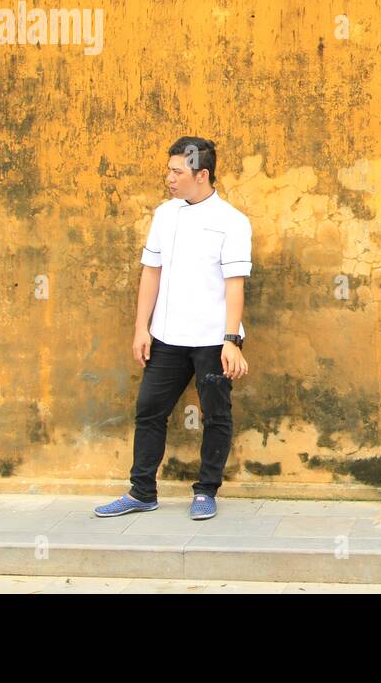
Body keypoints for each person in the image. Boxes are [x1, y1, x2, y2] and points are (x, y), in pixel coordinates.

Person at [95, 136, 253, 521]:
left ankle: (206, 490)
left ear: (201, 175)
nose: (169, 178)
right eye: (169, 170)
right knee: (149, 410)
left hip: (213, 339)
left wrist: (231, 340)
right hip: (166, 337)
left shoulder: (231, 221)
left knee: (216, 414)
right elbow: (152, 272)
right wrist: (141, 328)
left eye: (177, 172)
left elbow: (235, 283)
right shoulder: (164, 214)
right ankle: (142, 490)